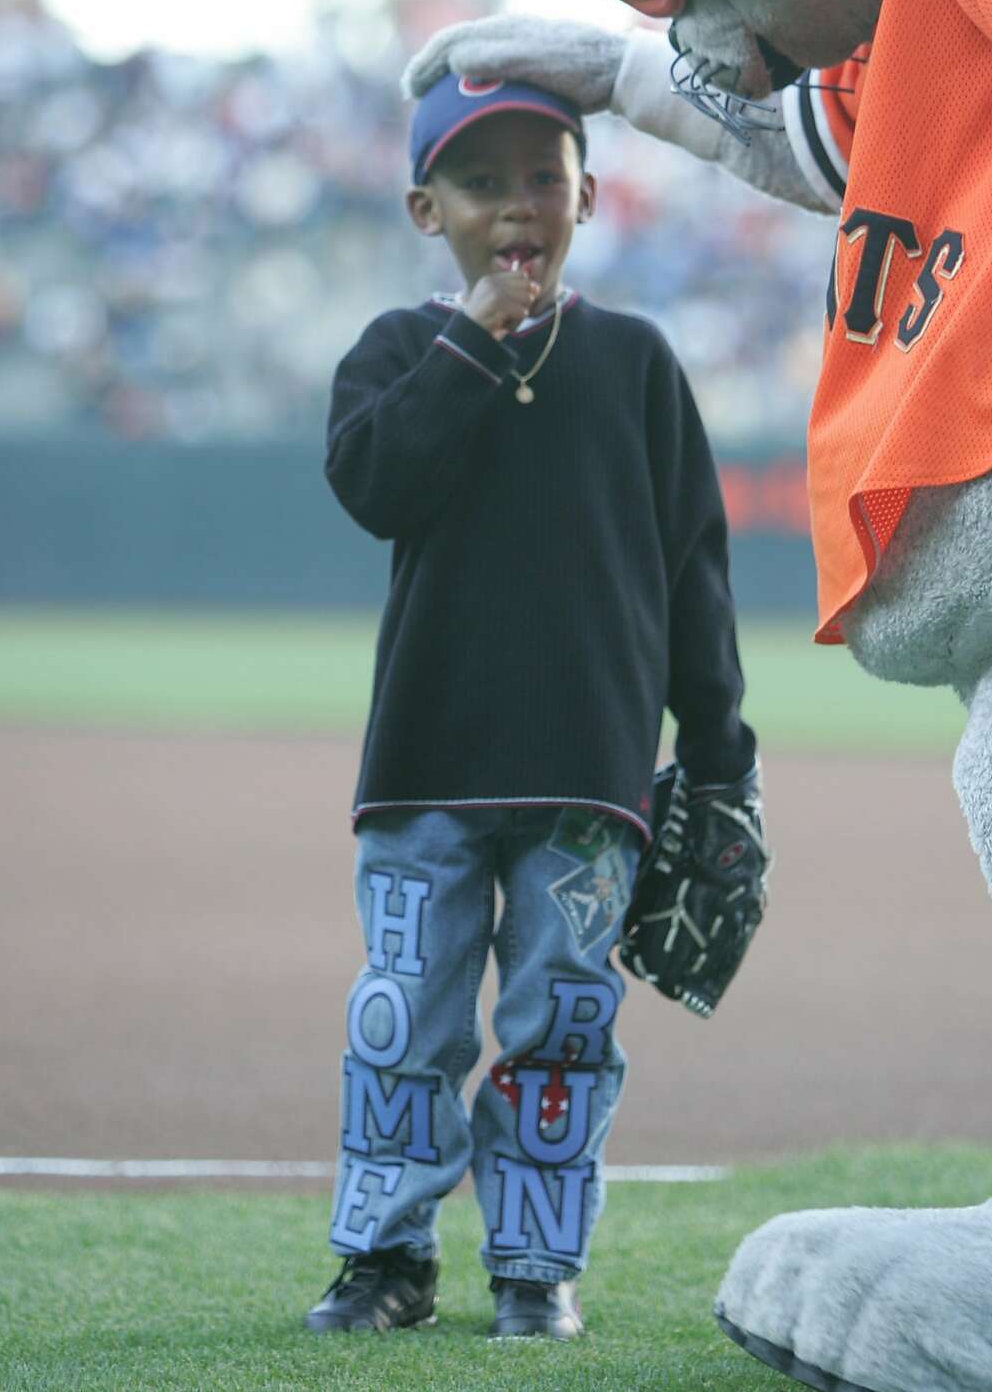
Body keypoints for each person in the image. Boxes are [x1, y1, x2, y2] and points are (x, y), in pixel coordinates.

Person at [304, 69, 759, 1341]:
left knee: (562, 1026)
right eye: (481, 181)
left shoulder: (634, 359)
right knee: (405, 1020)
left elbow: (693, 573)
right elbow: (379, 485)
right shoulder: (401, 352)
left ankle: (534, 1264)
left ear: (590, 196)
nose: (518, 206)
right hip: (425, 766)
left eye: (542, 178)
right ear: (423, 207)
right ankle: (386, 1258)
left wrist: (720, 753)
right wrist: (473, 337)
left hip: (587, 771)